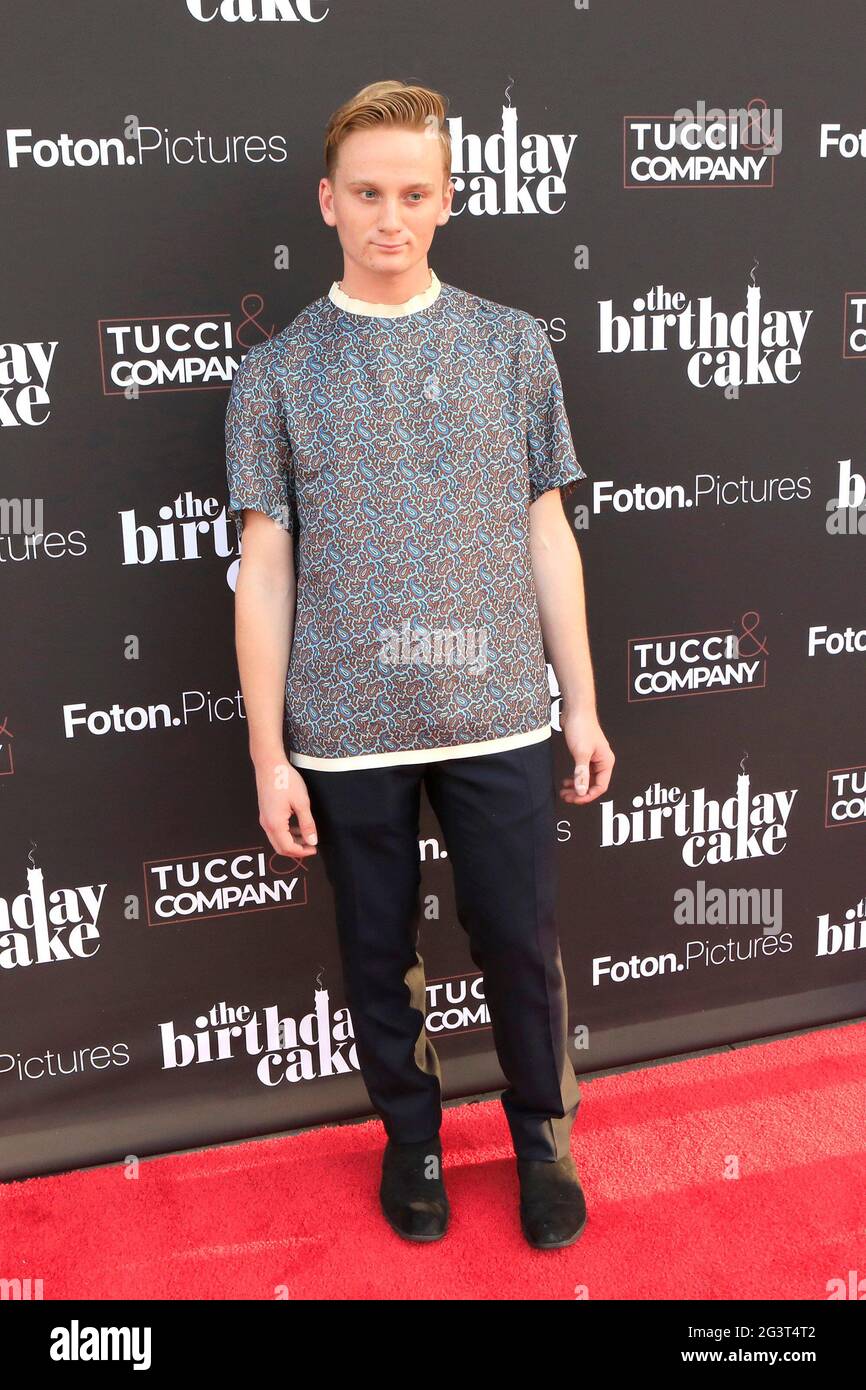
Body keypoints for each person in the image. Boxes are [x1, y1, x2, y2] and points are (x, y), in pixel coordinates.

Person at [225, 79, 615, 1250]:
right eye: (366, 194)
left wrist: (580, 701)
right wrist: (266, 758)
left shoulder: (509, 346)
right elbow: (266, 569)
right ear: (327, 203)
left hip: (498, 711)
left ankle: (541, 1136)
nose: (388, 216)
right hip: (344, 732)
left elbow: (546, 533)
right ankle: (413, 1141)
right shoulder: (276, 375)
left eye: (412, 193)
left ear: (445, 200)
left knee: (516, 942)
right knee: (376, 957)